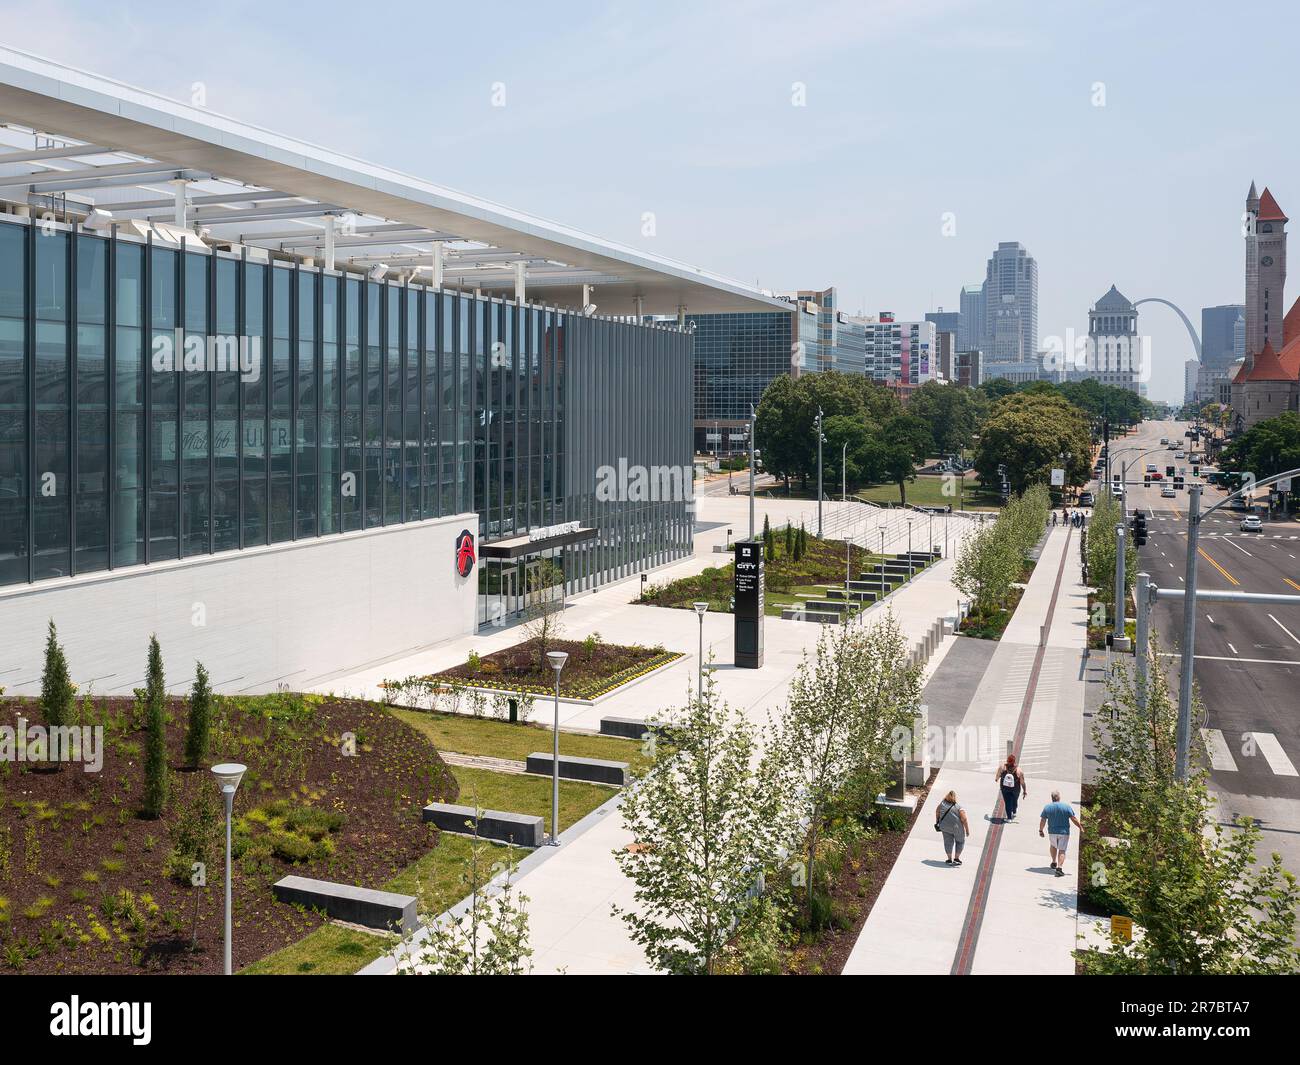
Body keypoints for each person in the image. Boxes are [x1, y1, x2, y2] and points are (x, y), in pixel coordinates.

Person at [1039, 790, 1083, 876]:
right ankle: (1059, 868)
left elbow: (1043, 820)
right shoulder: (1066, 807)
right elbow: (1073, 818)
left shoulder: (1047, 807)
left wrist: (1041, 830)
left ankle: (1054, 862)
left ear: (1052, 798)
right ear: (1059, 797)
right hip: (1064, 832)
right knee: (1062, 850)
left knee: (1053, 846)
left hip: (1052, 831)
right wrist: (1080, 827)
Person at [935, 790, 971, 866]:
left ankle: (949, 859)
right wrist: (967, 830)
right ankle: (956, 858)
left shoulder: (942, 804)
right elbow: (964, 819)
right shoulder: (958, 807)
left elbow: (937, 812)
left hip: (944, 827)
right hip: (957, 828)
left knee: (948, 842)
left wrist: (937, 821)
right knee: (960, 841)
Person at [995, 753, 1026, 821]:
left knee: (1007, 802)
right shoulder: (1018, 770)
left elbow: (997, 776)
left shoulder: (1002, 767)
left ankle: (1009, 818)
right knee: (1015, 800)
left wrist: (997, 779)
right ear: (1014, 762)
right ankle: (1014, 811)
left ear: (1007, 761)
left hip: (1005, 788)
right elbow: (1022, 782)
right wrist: (1024, 791)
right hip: (1016, 789)